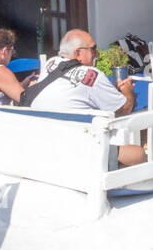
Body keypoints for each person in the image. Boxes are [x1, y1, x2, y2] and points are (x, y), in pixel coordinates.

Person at [26, 29, 145, 168]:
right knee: (139, 154)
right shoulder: (92, 74)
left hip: (45, 144)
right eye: (93, 49)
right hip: (77, 151)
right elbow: (124, 109)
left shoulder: (50, 63)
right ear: (78, 53)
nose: (97, 54)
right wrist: (127, 90)